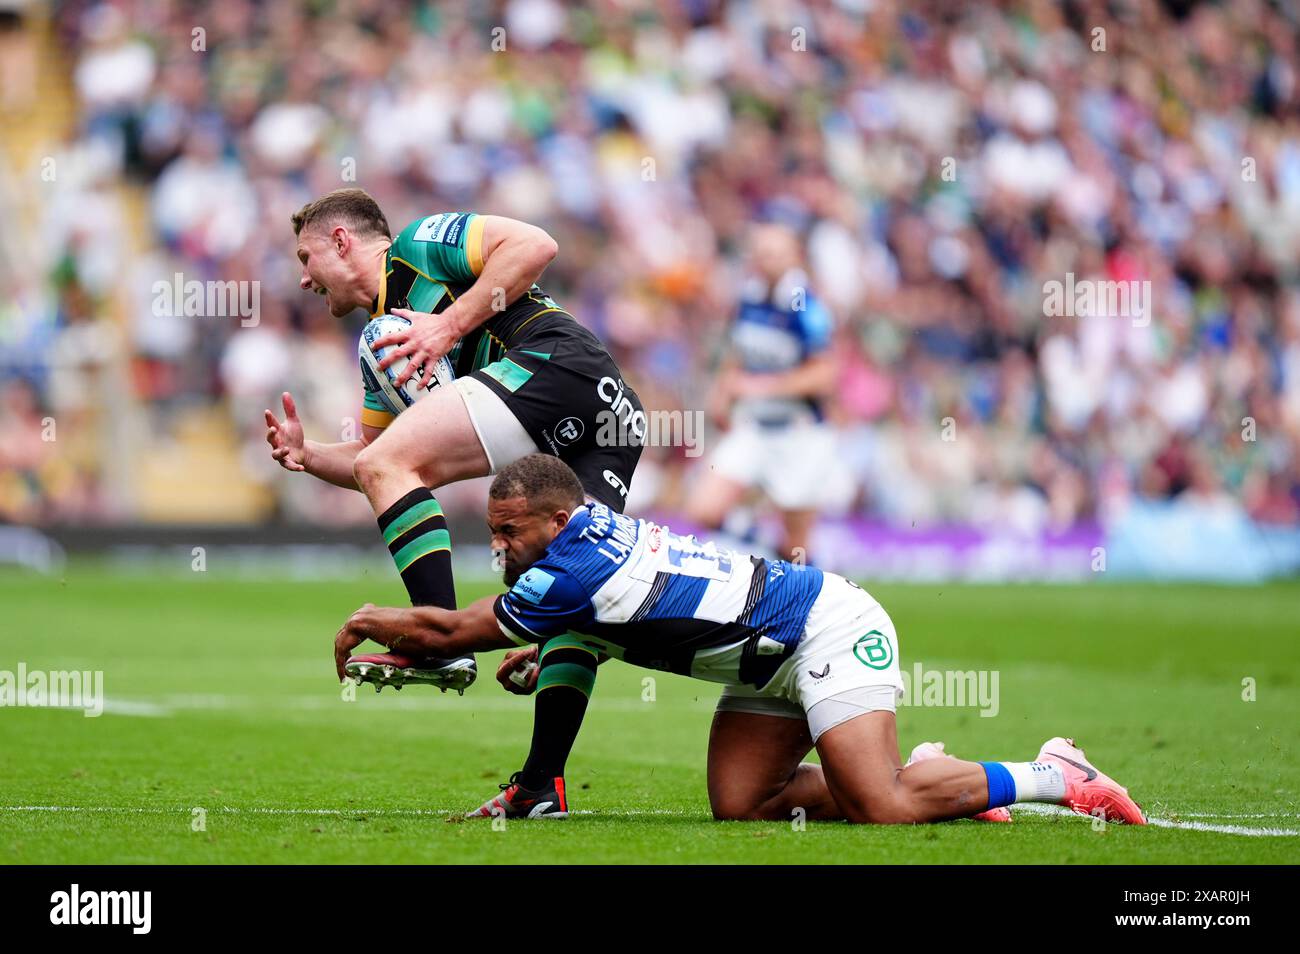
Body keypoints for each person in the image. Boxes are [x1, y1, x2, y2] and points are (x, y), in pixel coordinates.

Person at [332, 454, 1146, 826]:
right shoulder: (582, 542)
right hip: (765, 654)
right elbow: (640, 607)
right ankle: (937, 777)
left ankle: (1053, 774)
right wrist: (551, 643)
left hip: (823, 627)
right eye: (494, 533)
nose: (501, 549)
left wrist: (376, 616)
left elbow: (450, 630)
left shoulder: (568, 573)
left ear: (556, 520)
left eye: (510, 533)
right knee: (742, 805)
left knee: (882, 806)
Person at [265, 188, 645, 694]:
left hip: (558, 364)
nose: (304, 278)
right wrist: (307, 454)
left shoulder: (416, 246)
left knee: (392, 460)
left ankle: (439, 636)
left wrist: (447, 325)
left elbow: (536, 245)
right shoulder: (389, 337)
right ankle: (540, 776)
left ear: (340, 241)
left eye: (305, 258)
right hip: (612, 414)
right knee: (572, 596)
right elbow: (374, 462)